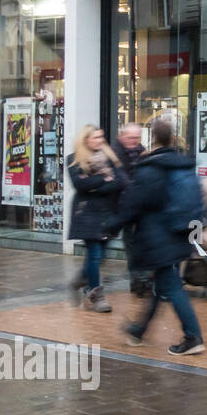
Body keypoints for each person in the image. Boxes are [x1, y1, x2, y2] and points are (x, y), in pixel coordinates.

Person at [115, 120, 207, 355]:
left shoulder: (151, 168)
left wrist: (111, 225)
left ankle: (193, 336)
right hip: (180, 233)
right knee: (162, 284)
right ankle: (139, 330)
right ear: (172, 139)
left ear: (151, 139)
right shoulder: (183, 165)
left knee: (172, 286)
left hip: (159, 236)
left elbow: (133, 204)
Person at [67, 125, 129, 313]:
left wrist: (97, 183)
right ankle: (96, 296)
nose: (100, 140)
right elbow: (81, 185)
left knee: (100, 256)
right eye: (95, 137)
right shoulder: (74, 160)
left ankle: (80, 280)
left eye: (101, 136)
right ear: (86, 140)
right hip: (86, 214)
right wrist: (104, 179)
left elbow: (120, 182)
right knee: (94, 254)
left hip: (108, 214)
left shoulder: (110, 158)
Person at [110, 123, 149, 296]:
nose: (134, 142)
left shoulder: (141, 151)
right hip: (121, 206)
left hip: (139, 205)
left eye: (137, 138)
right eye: (131, 138)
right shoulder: (114, 153)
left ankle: (140, 281)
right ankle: (138, 281)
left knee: (137, 243)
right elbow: (119, 178)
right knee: (130, 244)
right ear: (122, 136)